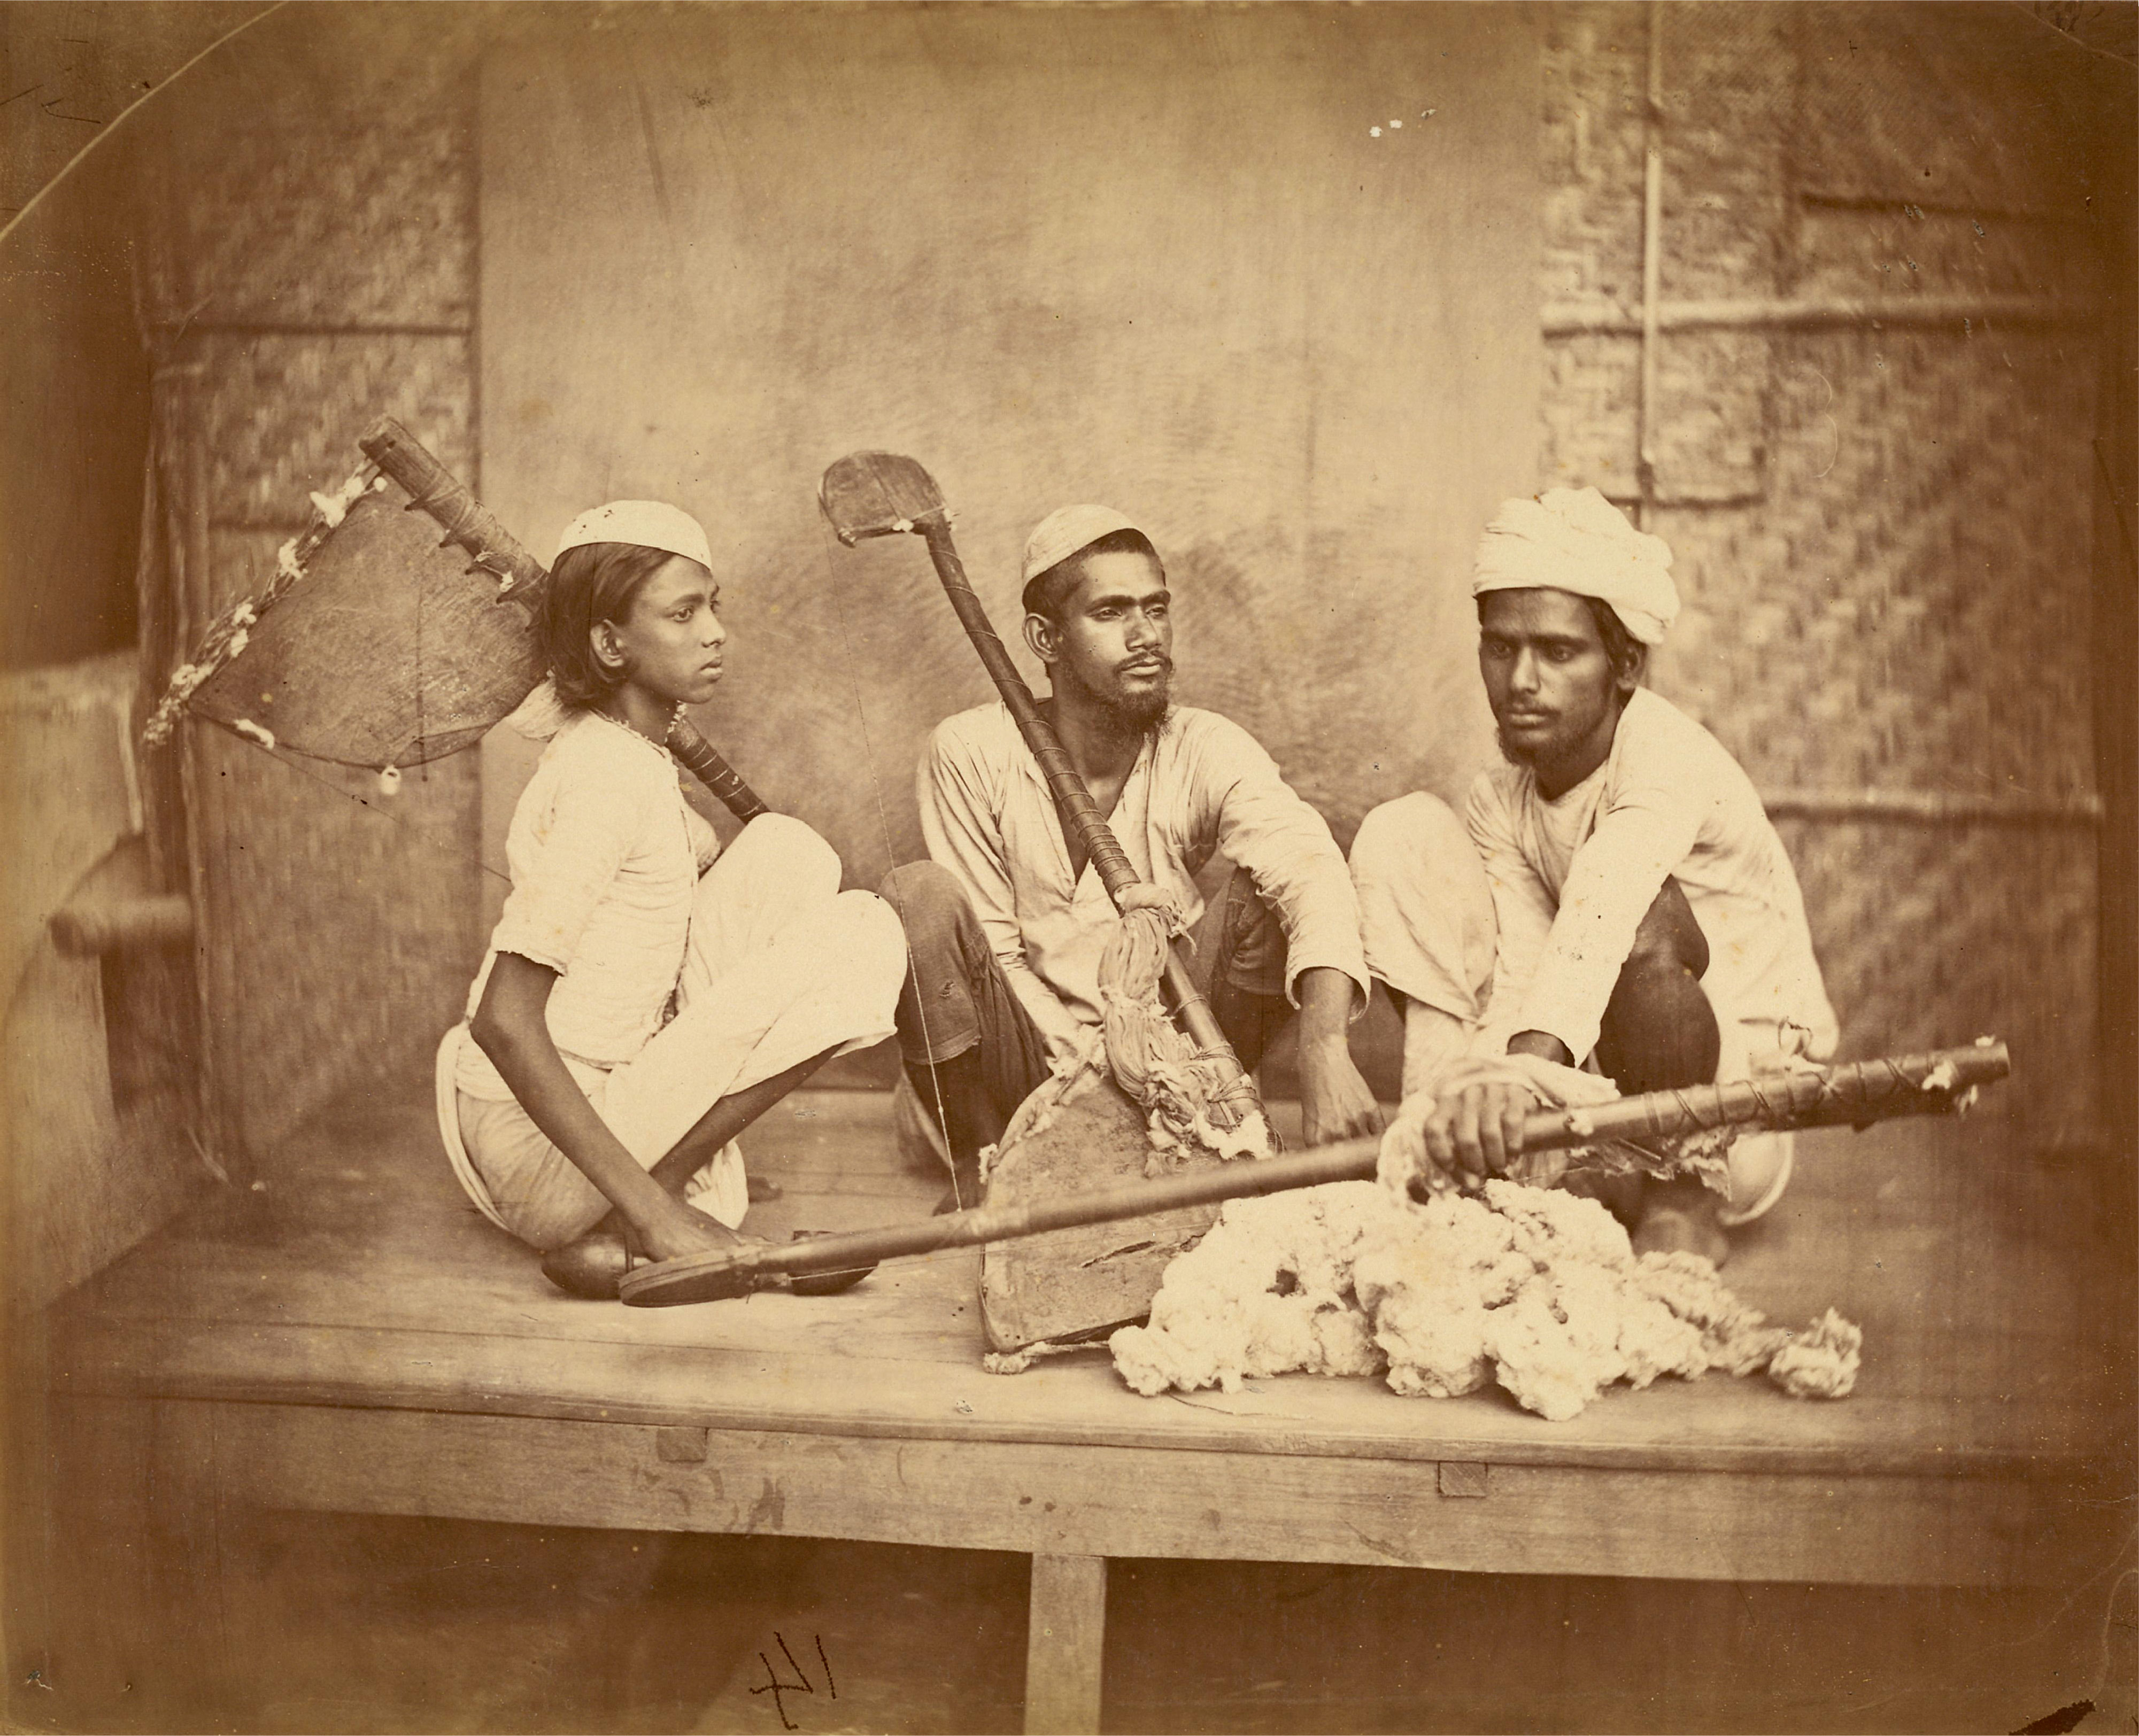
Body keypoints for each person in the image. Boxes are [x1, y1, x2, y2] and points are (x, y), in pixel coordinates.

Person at [1349, 486, 1837, 1263]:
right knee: (1402, 830)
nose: (1521, 681)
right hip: (1591, 1095)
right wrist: (1476, 1092)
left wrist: (1519, 1080)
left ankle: (1680, 1196)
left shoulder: (1664, 760)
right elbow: (1521, 964)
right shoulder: (1501, 799)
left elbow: (1601, 920)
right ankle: (1465, 1147)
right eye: (1500, 647)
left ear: (1625, 665)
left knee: (1645, 912)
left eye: (1558, 651)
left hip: (1730, 1109)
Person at [434, 500, 905, 1296]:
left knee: (790, 852)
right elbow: (504, 1022)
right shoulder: (605, 775)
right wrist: (657, 1210)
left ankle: (653, 1194)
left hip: (589, 1099)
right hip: (534, 1153)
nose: (714, 631)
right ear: (610, 644)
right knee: (864, 930)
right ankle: (644, 1214)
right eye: (683, 613)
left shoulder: (630, 752)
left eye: (713, 606)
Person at [882, 503, 1381, 1208]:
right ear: (1044, 638)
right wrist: (1094, 1090)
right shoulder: (970, 750)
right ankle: (982, 1166)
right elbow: (994, 954)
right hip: (1030, 1058)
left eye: (1157, 608)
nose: (1146, 636)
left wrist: (1324, 1048)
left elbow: (1311, 874)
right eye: (1112, 613)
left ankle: (1205, 1127)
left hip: (1175, 1045)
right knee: (915, 898)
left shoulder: (1206, 743)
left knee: (1265, 900)